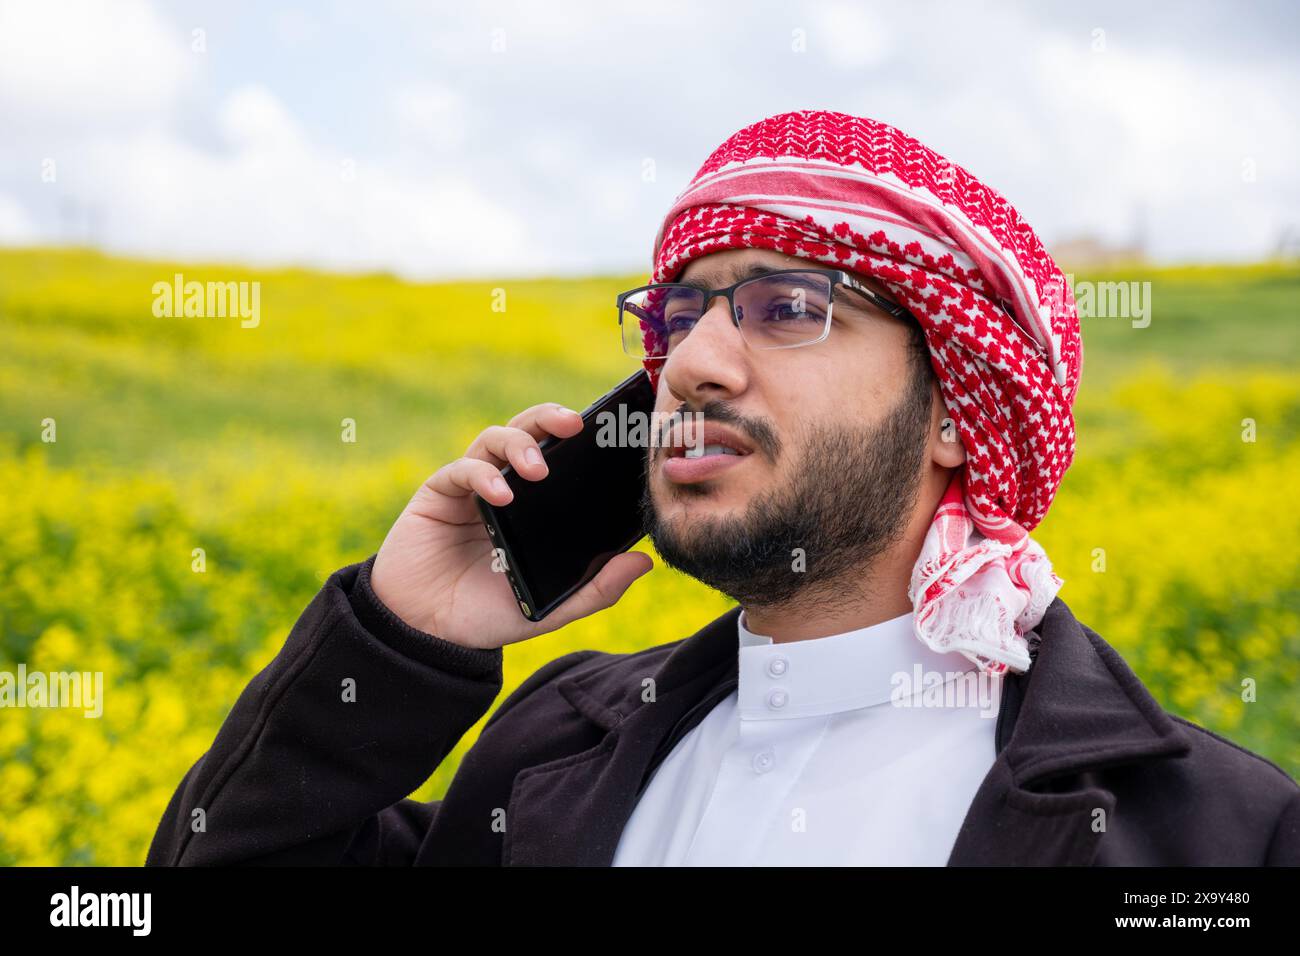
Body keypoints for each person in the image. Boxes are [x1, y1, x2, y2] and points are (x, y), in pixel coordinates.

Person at [146, 110, 1299, 866]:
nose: (688, 360)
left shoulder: (1214, 835)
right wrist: (401, 639)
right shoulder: (552, 749)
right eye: (679, 309)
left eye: (789, 307)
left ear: (957, 409)